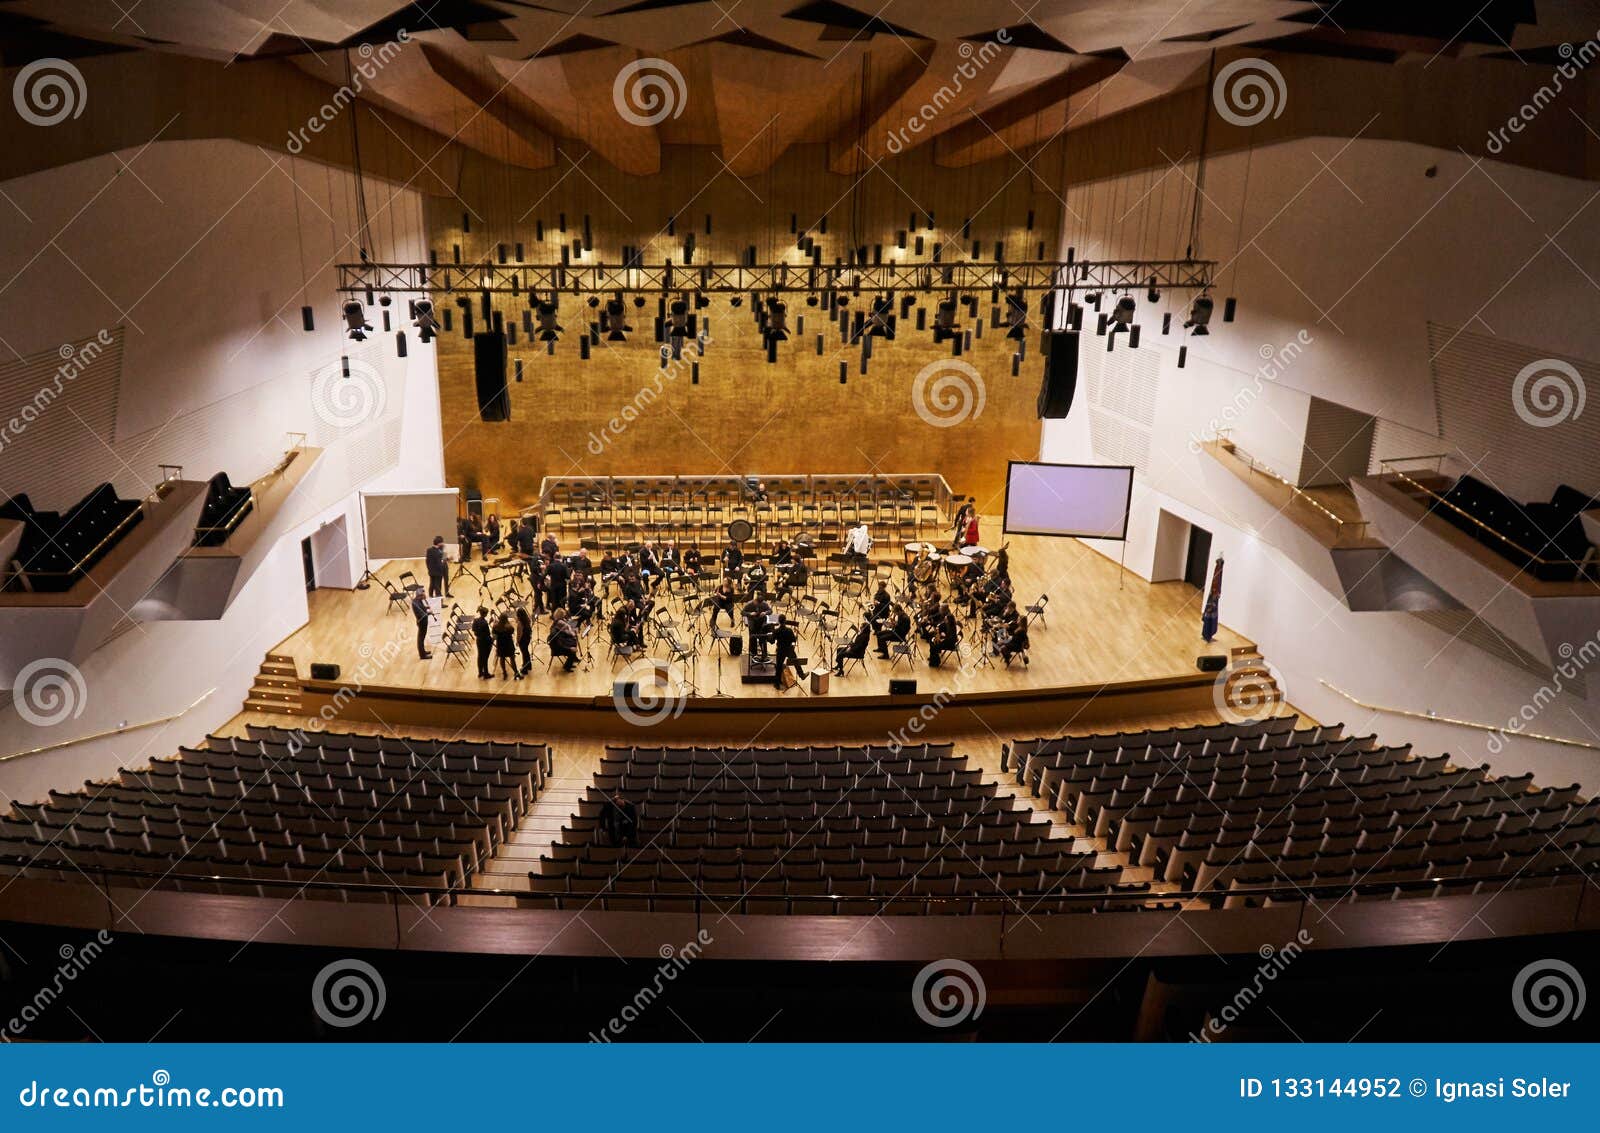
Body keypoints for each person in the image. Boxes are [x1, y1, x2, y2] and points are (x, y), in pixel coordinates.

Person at [772, 614, 805, 686]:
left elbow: (772, 641)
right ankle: (802, 675)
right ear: (785, 621)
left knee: (779, 666)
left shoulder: (776, 631)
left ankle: (777, 684)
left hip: (780, 650)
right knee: (796, 662)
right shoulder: (789, 630)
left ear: (779, 621)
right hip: (789, 649)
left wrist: (772, 634)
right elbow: (793, 640)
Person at [547, 607, 580, 672]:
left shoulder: (556, 623)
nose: (565, 615)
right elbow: (560, 644)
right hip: (557, 648)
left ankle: (573, 659)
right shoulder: (559, 623)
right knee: (572, 648)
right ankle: (567, 666)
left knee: (573, 640)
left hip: (560, 642)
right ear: (560, 615)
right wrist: (570, 648)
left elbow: (563, 632)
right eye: (564, 614)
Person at [1000, 601, 1029, 666]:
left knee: (1002, 646)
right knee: (1001, 642)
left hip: (1017, 646)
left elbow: (1016, 640)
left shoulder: (1022, 631)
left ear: (1021, 622)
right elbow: (1015, 637)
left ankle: (1007, 659)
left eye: (1018, 620)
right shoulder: (1020, 628)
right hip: (1015, 643)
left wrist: (1007, 639)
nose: (1017, 620)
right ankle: (1007, 655)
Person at [493, 612, 518, 679]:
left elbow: (494, 633)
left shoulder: (495, 626)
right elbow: (512, 632)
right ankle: (516, 673)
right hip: (508, 645)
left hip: (500, 645)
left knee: (502, 659)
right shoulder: (509, 627)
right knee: (512, 659)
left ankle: (504, 673)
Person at [472, 607, 493, 679]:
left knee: (480, 656)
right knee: (485, 658)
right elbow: (488, 633)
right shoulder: (484, 623)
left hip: (479, 640)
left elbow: (474, 630)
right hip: (485, 641)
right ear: (485, 614)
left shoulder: (475, 620)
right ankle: (486, 674)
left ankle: (480, 672)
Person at [411, 590, 432, 659]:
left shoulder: (417, 600)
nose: (425, 596)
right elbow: (422, 615)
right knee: (421, 639)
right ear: (419, 596)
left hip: (423, 621)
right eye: (423, 595)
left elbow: (423, 608)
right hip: (422, 622)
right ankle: (422, 655)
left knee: (422, 638)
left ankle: (423, 652)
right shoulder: (416, 604)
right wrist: (429, 613)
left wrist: (427, 608)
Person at [515, 604, 534, 675]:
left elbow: (519, 634)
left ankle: (525, 669)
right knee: (526, 652)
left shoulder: (520, 623)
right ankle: (529, 666)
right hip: (527, 638)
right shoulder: (527, 619)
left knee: (524, 654)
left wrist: (517, 641)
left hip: (523, 640)